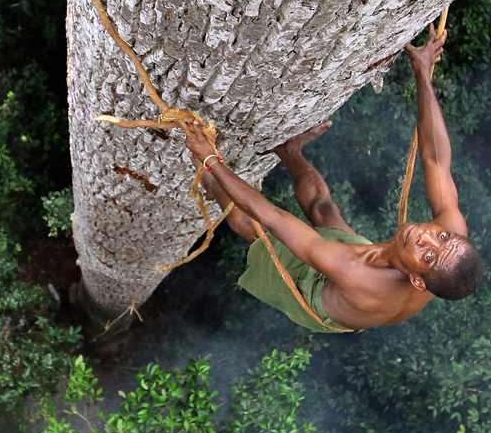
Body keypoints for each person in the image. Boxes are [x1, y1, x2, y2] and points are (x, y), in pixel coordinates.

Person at [183, 25, 483, 332]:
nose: (426, 236)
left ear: (418, 280)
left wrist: (211, 160)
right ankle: (290, 150)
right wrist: (423, 71)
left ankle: (209, 183)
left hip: (324, 302)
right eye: (442, 236)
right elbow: (436, 159)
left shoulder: (358, 275)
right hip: (372, 269)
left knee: (257, 232)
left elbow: (270, 217)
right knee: (323, 210)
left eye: (429, 255)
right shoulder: (450, 234)